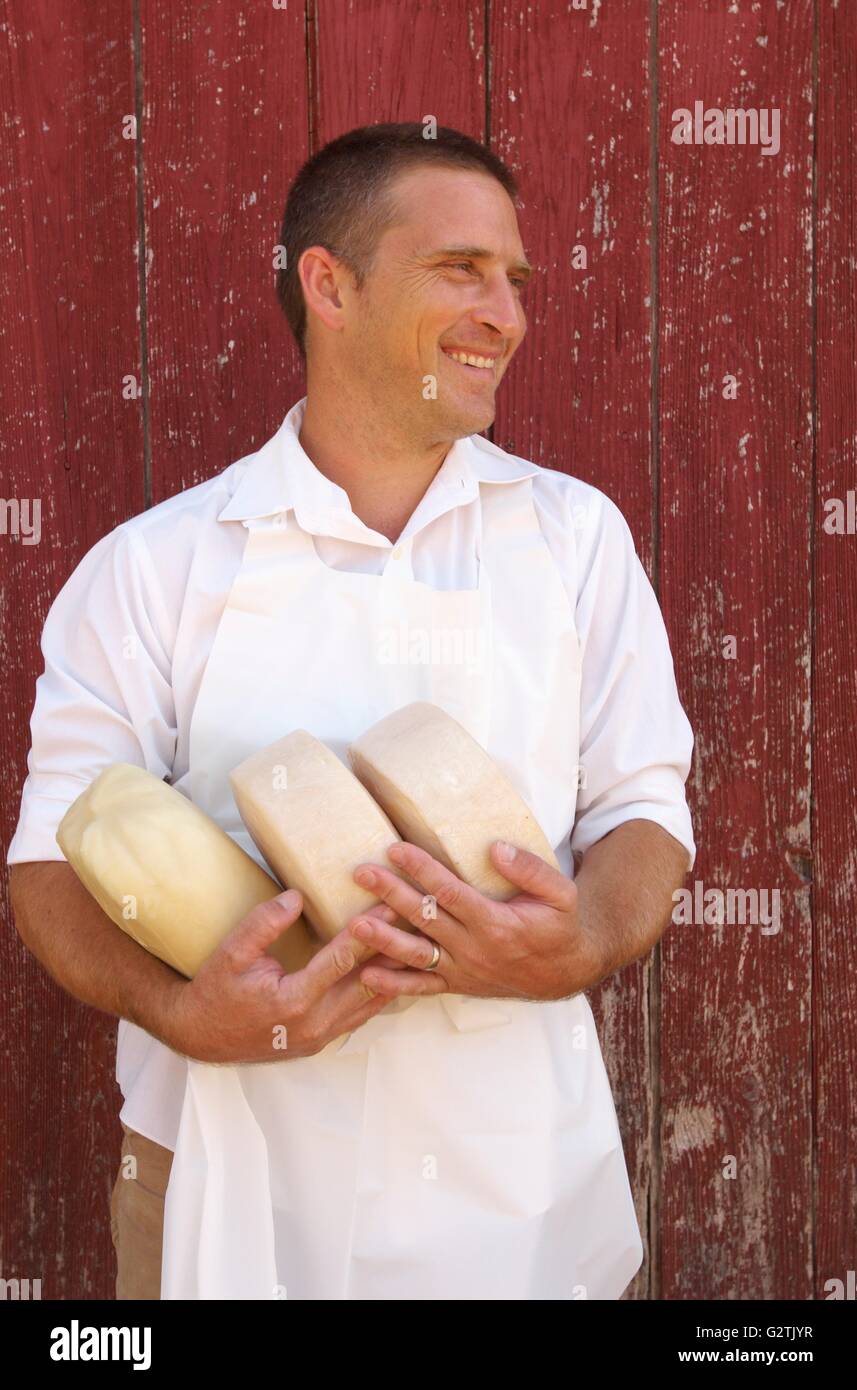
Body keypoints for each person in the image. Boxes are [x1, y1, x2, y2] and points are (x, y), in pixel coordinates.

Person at [8, 122, 695, 1301]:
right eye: (459, 269)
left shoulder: (573, 540)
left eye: (514, 280)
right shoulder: (155, 567)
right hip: (224, 1175)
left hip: (513, 1174)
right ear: (326, 283)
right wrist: (182, 1009)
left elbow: (641, 810)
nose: (506, 313)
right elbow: (48, 864)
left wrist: (582, 936)